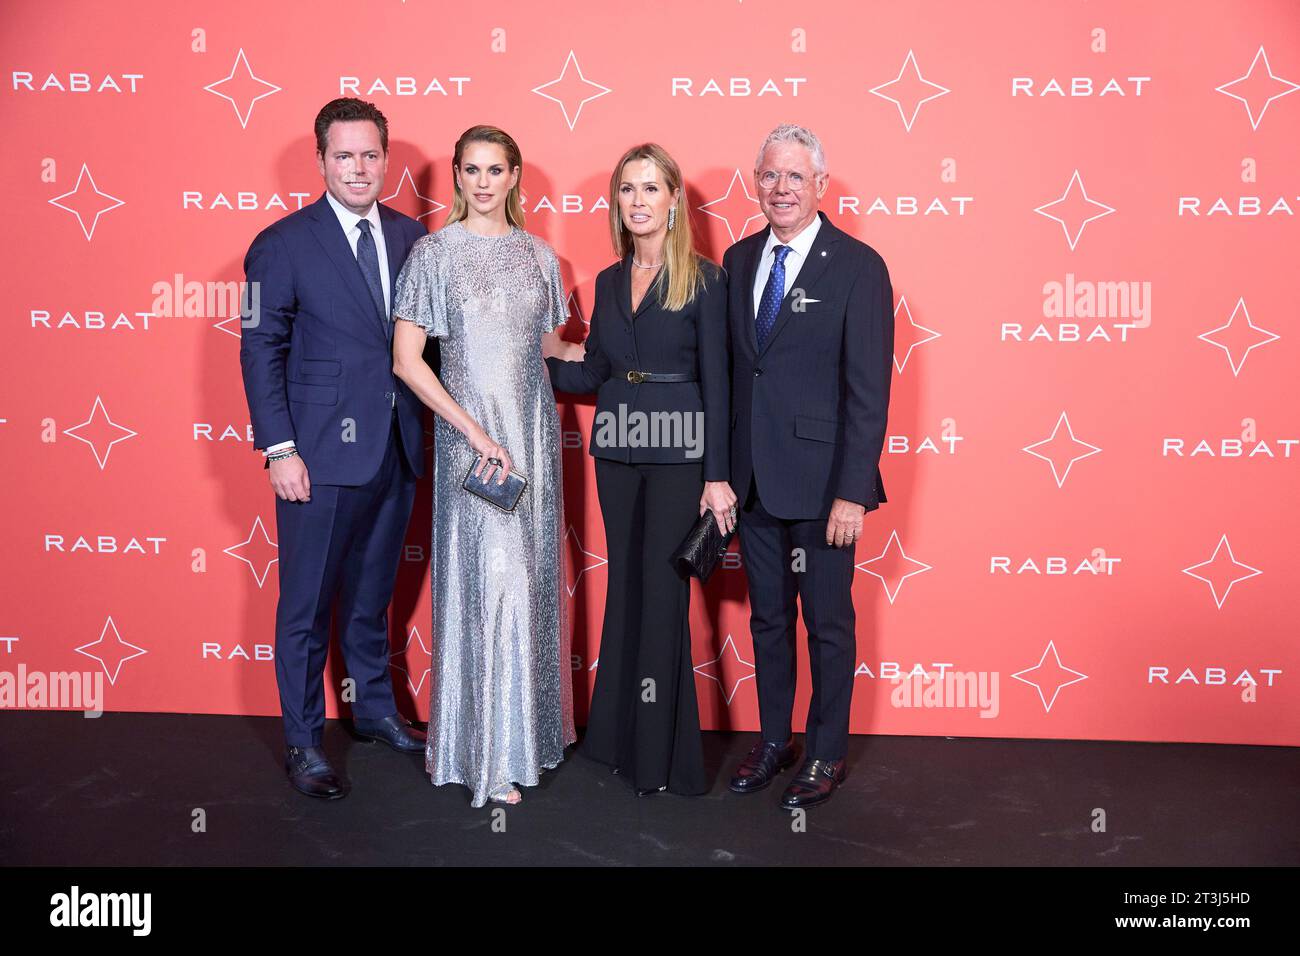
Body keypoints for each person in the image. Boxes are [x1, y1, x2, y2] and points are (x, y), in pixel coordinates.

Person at [239, 98, 428, 800]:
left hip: (398, 449)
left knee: (372, 597)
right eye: (344, 155)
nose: (358, 168)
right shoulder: (281, 243)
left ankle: (374, 710)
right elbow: (259, 347)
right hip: (316, 458)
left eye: (370, 154)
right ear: (321, 161)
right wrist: (279, 448)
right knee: (307, 606)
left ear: (386, 160)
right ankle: (303, 741)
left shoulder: (413, 238)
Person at [391, 125, 576, 807]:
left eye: (496, 169)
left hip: (533, 444)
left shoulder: (539, 257)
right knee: (490, 584)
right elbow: (406, 360)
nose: (483, 182)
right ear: (458, 177)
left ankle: (524, 740)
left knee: (526, 588)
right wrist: (472, 431)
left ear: (515, 175)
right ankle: (486, 756)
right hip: (475, 449)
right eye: (471, 170)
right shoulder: (434, 255)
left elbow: (550, 348)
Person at [545, 144, 734, 797]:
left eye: (651, 188)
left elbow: (721, 384)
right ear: (617, 202)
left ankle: (661, 760)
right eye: (628, 189)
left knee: (663, 595)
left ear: (674, 199)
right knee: (626, 589)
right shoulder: (606, 279)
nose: (638, 201)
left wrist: (718, 476)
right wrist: (529, 359)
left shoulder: (706, 281)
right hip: (618, 451)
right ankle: (616, 742)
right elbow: (594, 371)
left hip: (681, 454)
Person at [722, 123, 894, 810]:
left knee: (826, 624)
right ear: (755, 183)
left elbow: (868, 393)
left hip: (825, 491)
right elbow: (736, 378)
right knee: (767, 621)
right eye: (769, 176)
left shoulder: (858, 267)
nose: (780, 188)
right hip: (754, 484)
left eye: (794, 176)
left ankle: (826, 752)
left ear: (821, 184)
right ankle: (774, 740)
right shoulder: (736, 263)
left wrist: (852, 492)